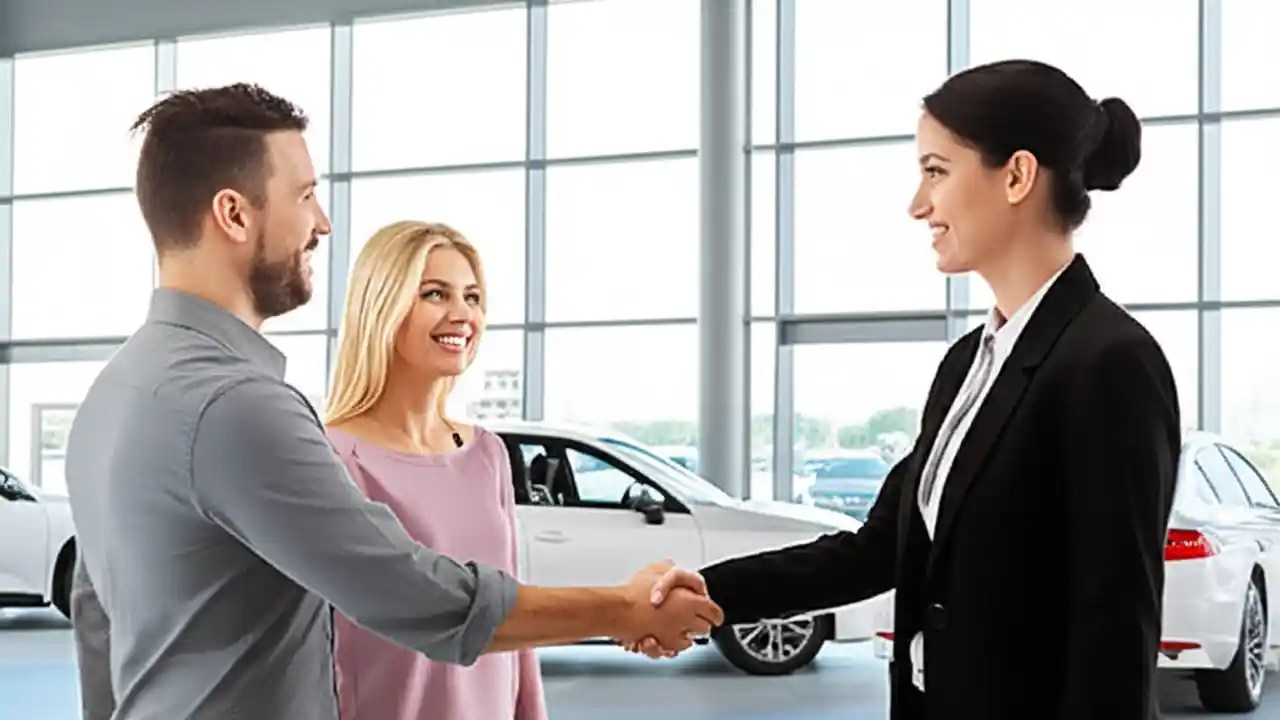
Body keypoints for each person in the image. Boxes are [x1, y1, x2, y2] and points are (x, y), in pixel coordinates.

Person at [63, 83, 721, 720]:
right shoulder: (239, 406)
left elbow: (99, 627)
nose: (321, 224)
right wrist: (622, 608)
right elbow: (410, 591)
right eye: (305, 196)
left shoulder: (111, 398)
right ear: (234, 214)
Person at [638, 59, 1182, 719]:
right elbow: (878, 549)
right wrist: (711, 592)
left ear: (1016, 175)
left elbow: (1115, 626)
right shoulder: (968, 363)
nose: (918, 204)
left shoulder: (1110, 361)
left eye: (936, 171)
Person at [322, 220, 546, 719]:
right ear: (383, 305)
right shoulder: (332, 456)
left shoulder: (487, 454)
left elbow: (514, 621)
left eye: (472, 297)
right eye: (435, 294)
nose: (462, 315)